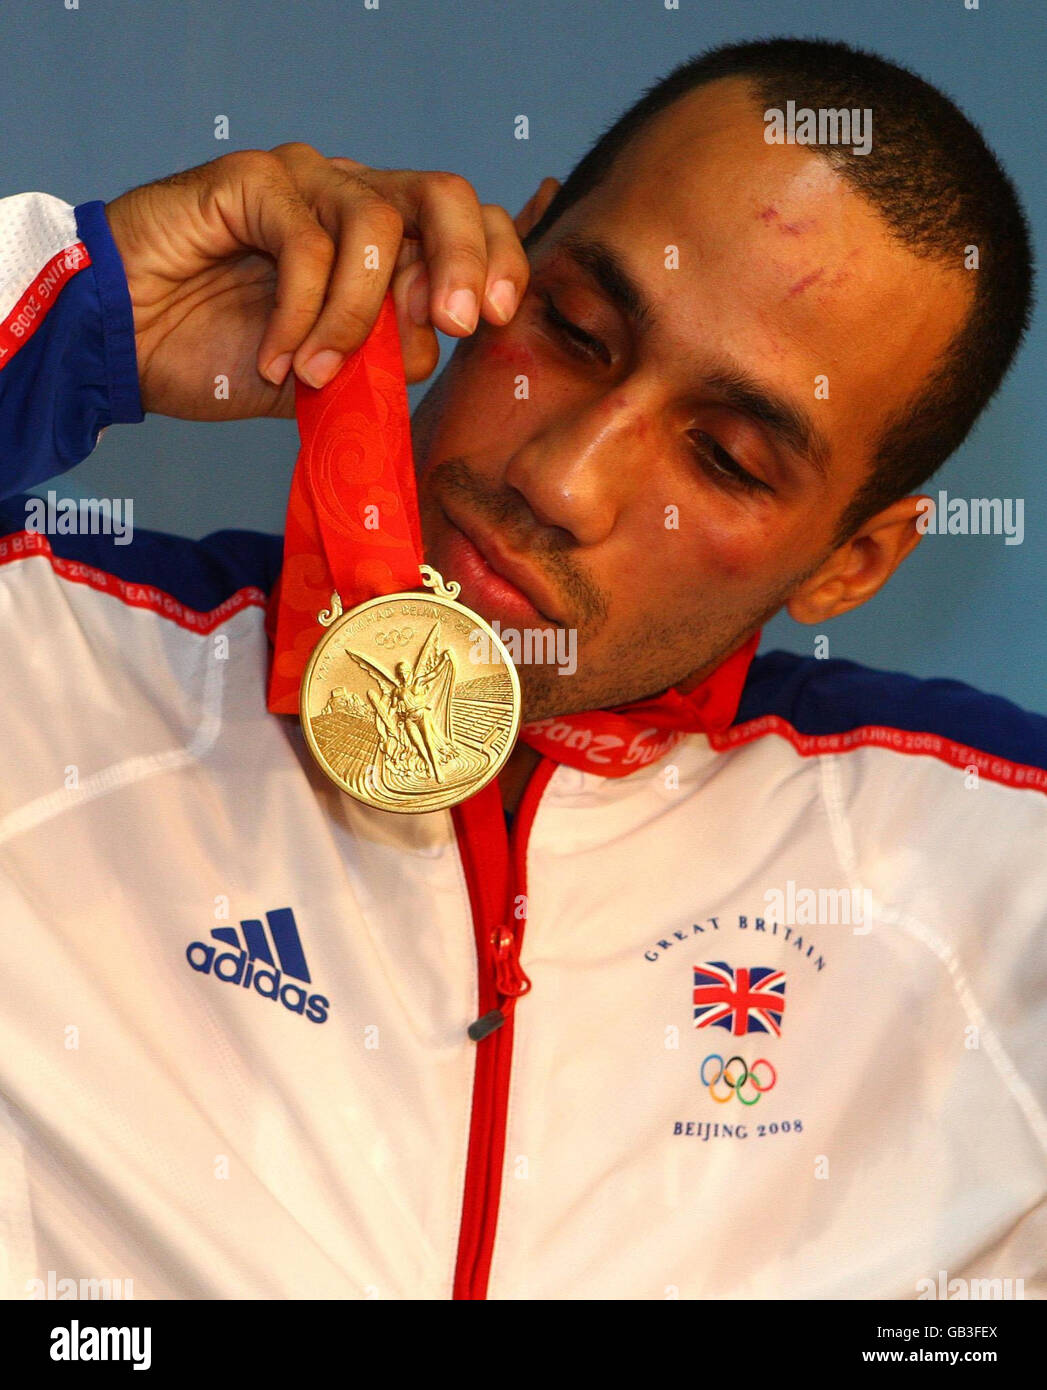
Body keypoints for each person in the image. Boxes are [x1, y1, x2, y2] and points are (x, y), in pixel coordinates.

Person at [1, 37, 1044, 1301]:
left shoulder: (995, 879)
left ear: (851, 563)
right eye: (577, 327)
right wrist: (89, 309)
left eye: (724, 457)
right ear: (508, 255)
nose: (561, 476)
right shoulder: (51, 662)